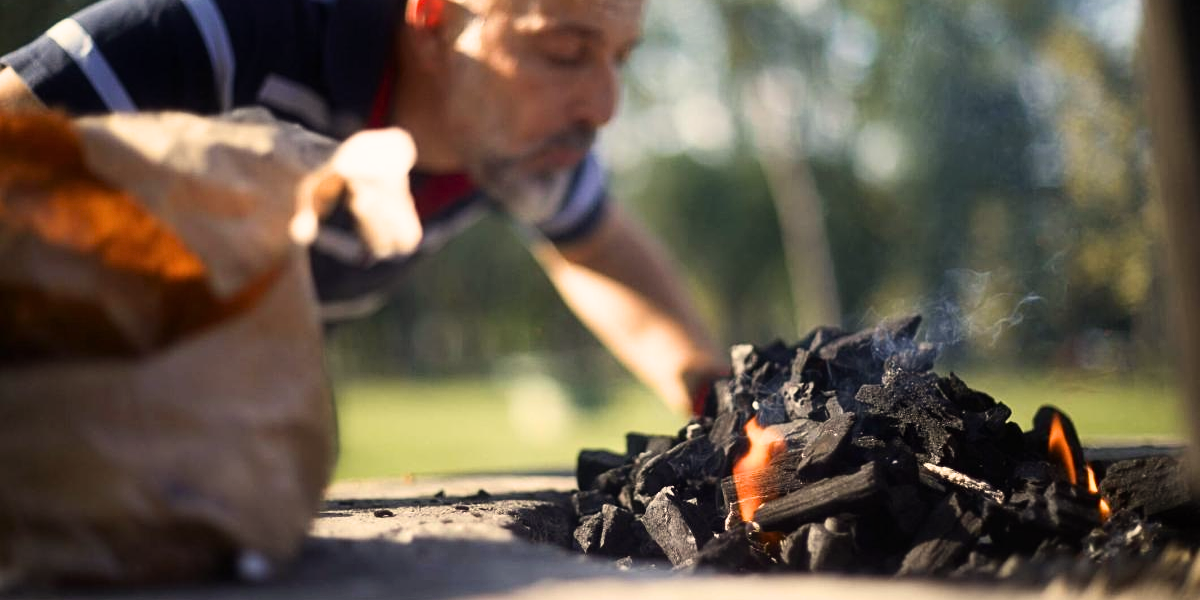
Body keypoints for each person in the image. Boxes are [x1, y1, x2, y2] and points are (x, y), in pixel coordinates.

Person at [0, 0, 727, 416]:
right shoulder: (218, 31)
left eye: (620, 59)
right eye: (567, 53)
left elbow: (600, 251)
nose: (605, 107)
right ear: (432, 17)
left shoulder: (517, 143)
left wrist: (716, 405)